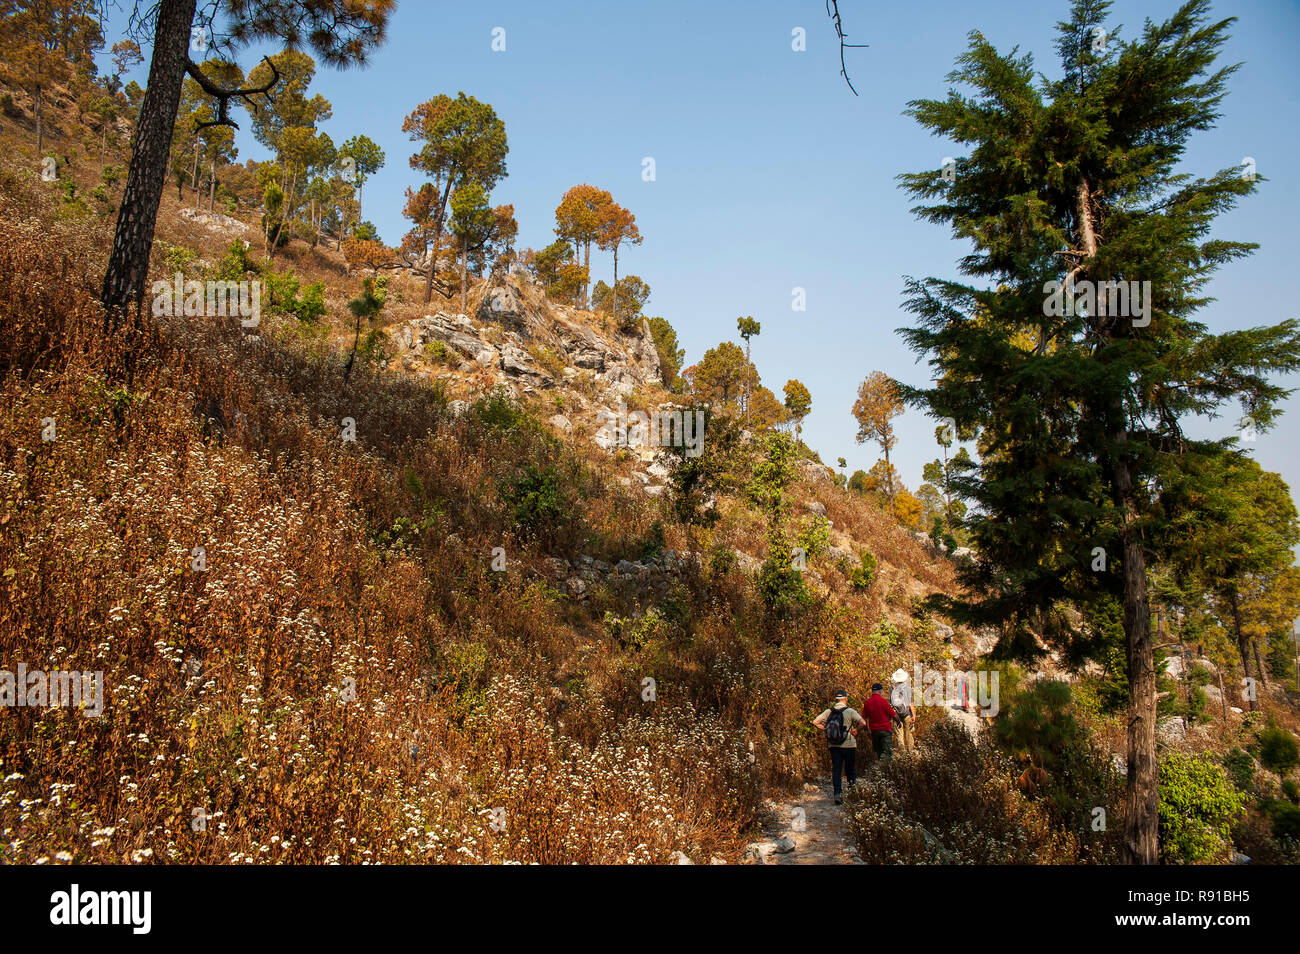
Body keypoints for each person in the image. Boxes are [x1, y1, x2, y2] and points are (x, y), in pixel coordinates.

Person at [811, 690, 865, 804]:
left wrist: (825, 729)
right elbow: (863, 723)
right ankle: (852, 793)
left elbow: (815, 722)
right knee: (850, 770)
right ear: (846, 699)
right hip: (849, 744)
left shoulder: (829, 711)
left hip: (833, 745)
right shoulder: (850, 711)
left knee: (836, 769)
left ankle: (837, 794)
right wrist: (856, 730)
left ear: (836, 699)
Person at [862, 682, 902, 762]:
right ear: (880, 691)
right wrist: (899, 722)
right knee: (887, 753)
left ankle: (879, 767)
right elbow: (893, 715)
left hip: (874, 731)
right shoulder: (884, 702)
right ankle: (886, 768)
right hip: (885, 730)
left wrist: (866, 730)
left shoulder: (867, 703)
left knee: (879, 753)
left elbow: (863, 719)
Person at [889, 668, 915, 754]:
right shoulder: (907, 688)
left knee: (899, 736)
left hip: (896, 715)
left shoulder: (892, 688)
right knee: (908, 735)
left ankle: (902, 754)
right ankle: (910, 753)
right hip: (907, 714)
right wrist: (913, 715)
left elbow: (890, 703)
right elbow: (911, 703)